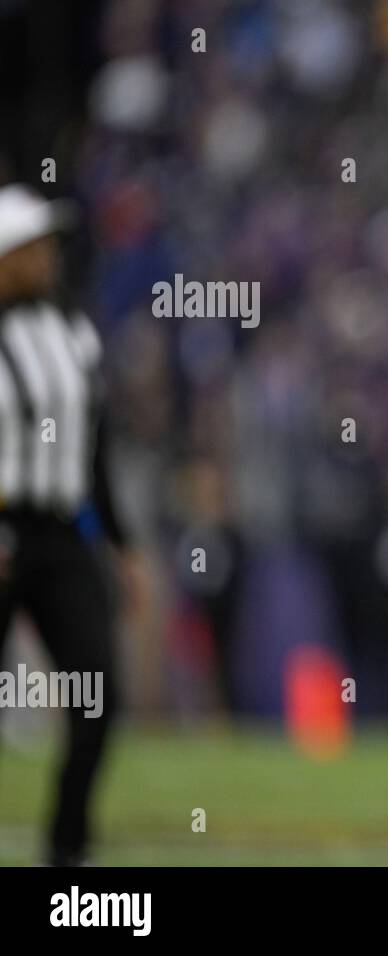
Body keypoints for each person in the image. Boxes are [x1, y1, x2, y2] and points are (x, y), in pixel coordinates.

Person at [0, 183, 134, 865]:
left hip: (58, 534)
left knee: (98, 691)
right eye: (30, 248)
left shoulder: (72, 333)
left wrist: (122, 543)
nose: (45, 258)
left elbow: (96, 449)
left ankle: (66, 847)